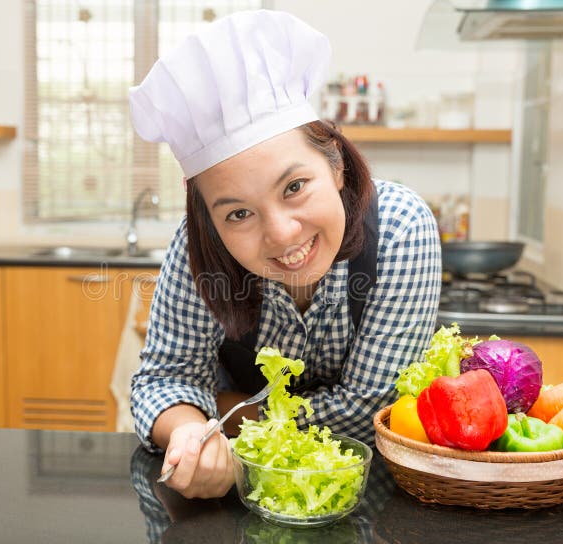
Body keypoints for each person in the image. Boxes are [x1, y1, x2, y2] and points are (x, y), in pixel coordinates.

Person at [129, 9, 441, 500]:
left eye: (294, 186)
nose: (281, 233)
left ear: (335, 163)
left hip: (365, 494)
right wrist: (190, 432)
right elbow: (162, 380)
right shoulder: (199, 248)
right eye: (237, 214)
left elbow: (370, 409)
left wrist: (225, 409)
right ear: (211, 220)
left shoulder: (402, 226)